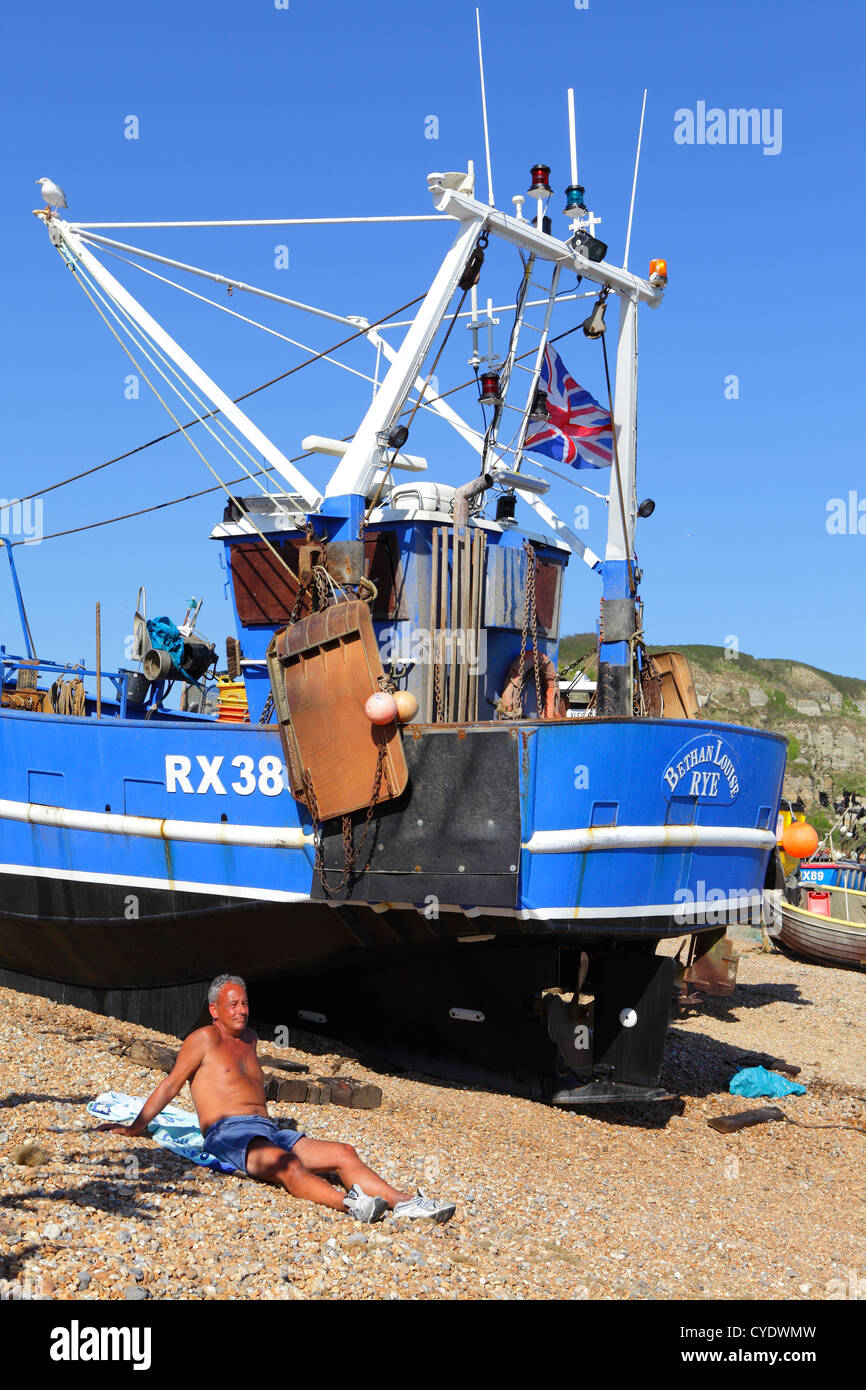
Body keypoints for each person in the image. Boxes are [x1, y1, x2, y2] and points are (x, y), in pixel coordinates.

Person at [97, 974, 454, 1224]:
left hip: (268, 1129)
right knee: (287, 1166)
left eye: (245, 1003)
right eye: (232, 1004)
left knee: (344, 1153)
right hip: (229, 1133)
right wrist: (135, 1128)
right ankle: (351, 1204)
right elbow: (171, 1084)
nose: (241, 1010)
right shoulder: (203, 1039)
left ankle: (406, 1203)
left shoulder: (251, 1038)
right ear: (214, 1010)